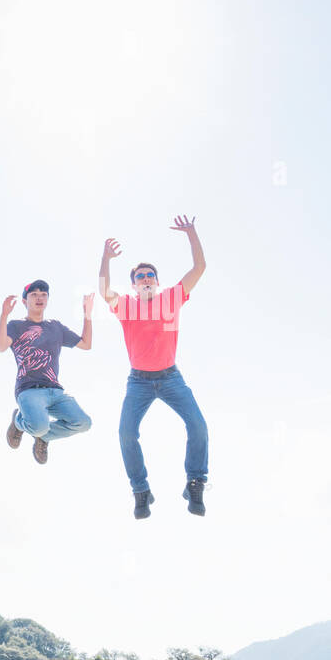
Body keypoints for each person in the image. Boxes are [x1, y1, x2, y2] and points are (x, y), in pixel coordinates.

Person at [98, 216, 208, 518]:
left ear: (156, 282)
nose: (145, 278)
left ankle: (195, 481)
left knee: (198, 427)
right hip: (139, 383)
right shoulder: (126, 306)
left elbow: (199, 269)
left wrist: (192, 234)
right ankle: (141, 490)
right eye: (140, 276)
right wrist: (106, 258)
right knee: (126, 433)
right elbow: (104, 290)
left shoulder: (171, 299)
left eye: (150, 275)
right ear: (134, 284)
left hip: (171, 378)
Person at [0, 282, 93, 464]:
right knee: (38, 427)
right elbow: (0, 346)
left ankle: (45, 437)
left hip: (55, 391)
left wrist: (87, 314)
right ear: (25, 301)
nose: (39, 297)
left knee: (83, 423)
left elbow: (86, 344)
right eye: (33, 295)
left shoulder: (55, 327)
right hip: (29, 390)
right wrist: (4, 315)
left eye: (43, 294)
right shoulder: (16, 326)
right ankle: (18, 422)